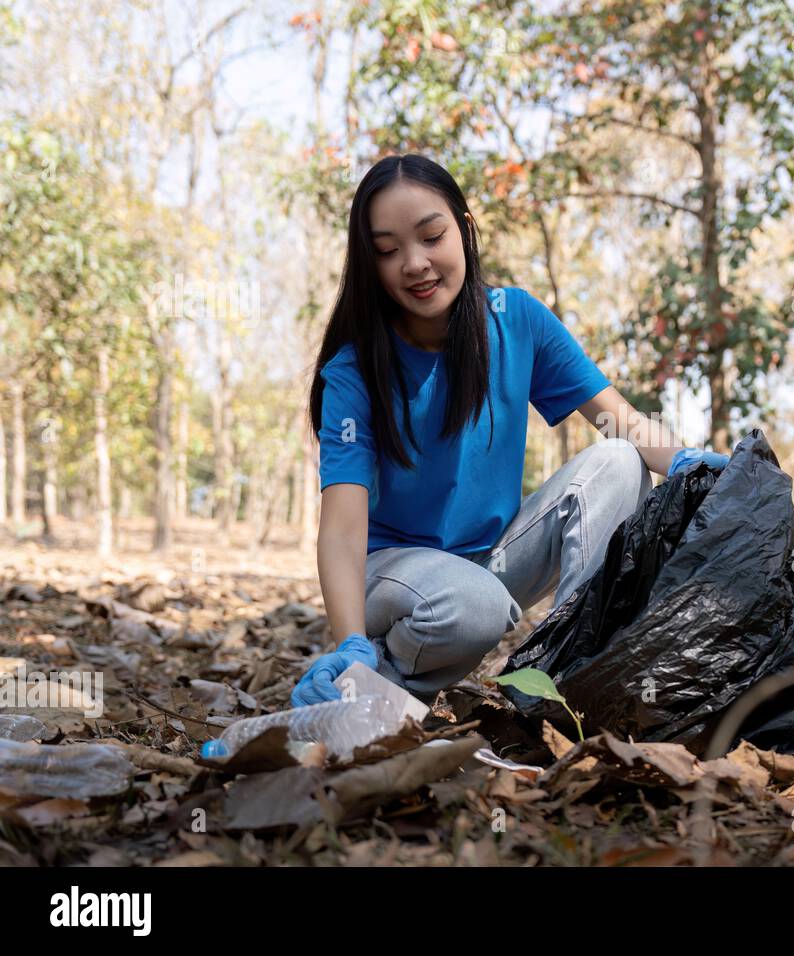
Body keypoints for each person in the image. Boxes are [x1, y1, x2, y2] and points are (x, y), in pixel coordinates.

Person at [292, 153, 729, 707]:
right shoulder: (355, 373)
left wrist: (694, 461)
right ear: (369, 263)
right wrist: (349, 639)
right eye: (387, 251)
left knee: (620, 460)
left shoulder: (514, 319)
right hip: (394, 574)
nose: (415, 263)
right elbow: (343, 531)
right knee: (472, 605)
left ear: (465, 229)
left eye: (432, 236)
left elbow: (617, 418)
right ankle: (376, 678)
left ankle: (571, 674)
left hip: (493, 561)